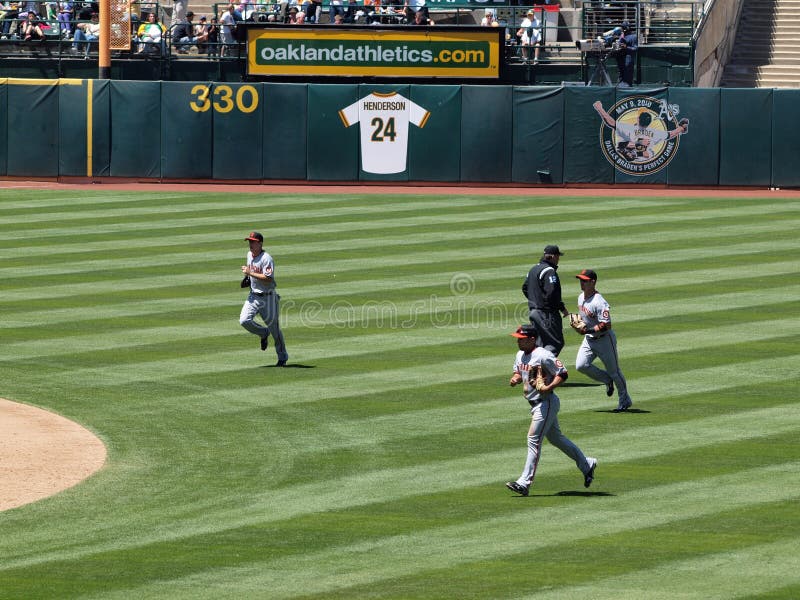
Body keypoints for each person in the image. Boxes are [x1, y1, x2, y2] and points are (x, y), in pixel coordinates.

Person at [505, 324, 597, 496]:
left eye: (522, 339)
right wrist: (515, 378)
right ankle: (587, 464)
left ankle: (524, 483)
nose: (518, 342)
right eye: (518, 339)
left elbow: (563, 373)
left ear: (532, 339)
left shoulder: (543, 355)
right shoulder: (520, 355)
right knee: (557, 439)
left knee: (533, 439)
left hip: (546, 403)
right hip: (535, 404)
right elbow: (518, 371)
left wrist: (549, 387)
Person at [571, 269, 633, 412]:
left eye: (585, 281)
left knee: (614, 372)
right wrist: (578, 322)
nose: (581, 283)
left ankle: (625, 400)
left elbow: (606, 324)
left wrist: (588, 330)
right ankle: (606, 380)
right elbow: (584, 319)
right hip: (589, 340)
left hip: (605, 340)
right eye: (580, 280)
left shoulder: (599, 302)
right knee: (581, 365)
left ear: (593, 282)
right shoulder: (580, 297)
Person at [239, 231, 289, 367]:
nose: (250, 244)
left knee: (275, 330)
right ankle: (263, 333)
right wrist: (247, 278)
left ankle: (282, 357)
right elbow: (251, 272)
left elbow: (268, 278)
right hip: (253, 296)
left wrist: (250, 273)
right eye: (249, 241)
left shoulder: (267, 258)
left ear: (260, 243)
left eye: (253, 242)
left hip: (268, 298)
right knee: (244, 320)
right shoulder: (249, 255)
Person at [522, 244, 569, 356]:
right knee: (555, 343)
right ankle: (538, 365)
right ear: (553, 256)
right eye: (558, 256)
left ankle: (534, 366)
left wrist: (535, 300)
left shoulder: (533, 269)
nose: (558, 259)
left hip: (534, 312)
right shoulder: (549, 271)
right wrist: (559, 307)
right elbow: (552, 293)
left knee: (540, 344)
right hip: (546, 314)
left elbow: (525, 288)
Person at [593, 101, 689, 150]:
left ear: (638, 119)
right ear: (649, 122)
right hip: (647, 161)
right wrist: (681, 128)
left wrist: (600, 109)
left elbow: (611, 122)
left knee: (621, 145)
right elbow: (671, 134)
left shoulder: (628, 129)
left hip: (631, 159)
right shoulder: (655, 133)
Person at [614, 21, 637, 87]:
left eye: (623, 27)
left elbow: (635, 48)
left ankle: (627, 87)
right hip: (620, 57)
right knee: (621, 73)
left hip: (628, 59)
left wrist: (626, 47)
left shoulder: (633, 37)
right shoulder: (621, 36)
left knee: (627, 75)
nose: (622, 29)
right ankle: (620, 86)